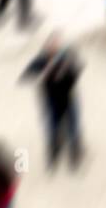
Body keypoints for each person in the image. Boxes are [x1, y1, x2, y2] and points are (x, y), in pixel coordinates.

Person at [20, 35, 83, 168]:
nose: (54, 48)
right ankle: (54, 152)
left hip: (68, 96)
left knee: (73, 125)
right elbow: (25, 76)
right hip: (51, 99)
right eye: (51, 46)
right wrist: (42, 75)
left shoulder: (67, 56)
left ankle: (75, 152)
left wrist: (67, 72)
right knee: (52, 127)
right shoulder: (41, 60)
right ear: (46, 47)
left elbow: (79, 67)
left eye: (57, 45)